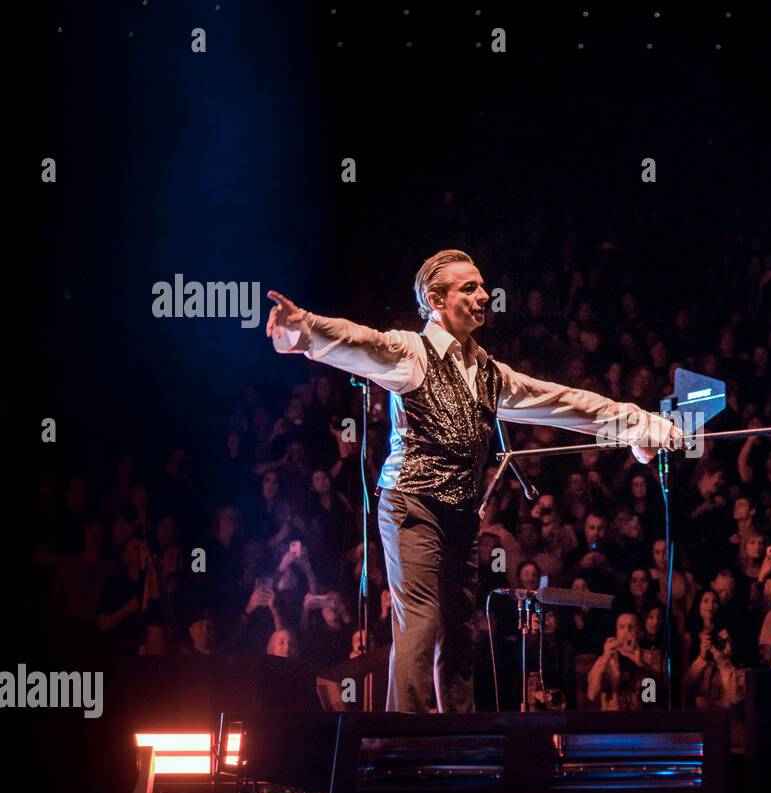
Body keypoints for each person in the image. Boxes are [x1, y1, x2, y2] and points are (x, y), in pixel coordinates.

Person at [266, 250, 682, 713]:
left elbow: (561, 401)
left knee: (460, 634)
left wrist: (634, 424)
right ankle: (405, 749)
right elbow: (362, 342)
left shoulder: (489, 373)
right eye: (470, 288)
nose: (484, 295)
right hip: (412, 505)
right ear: (435, 298)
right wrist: (303, 328)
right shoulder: (412, 351)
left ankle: (454, 741)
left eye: (483, 287)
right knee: (421, 627)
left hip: (462, 513)